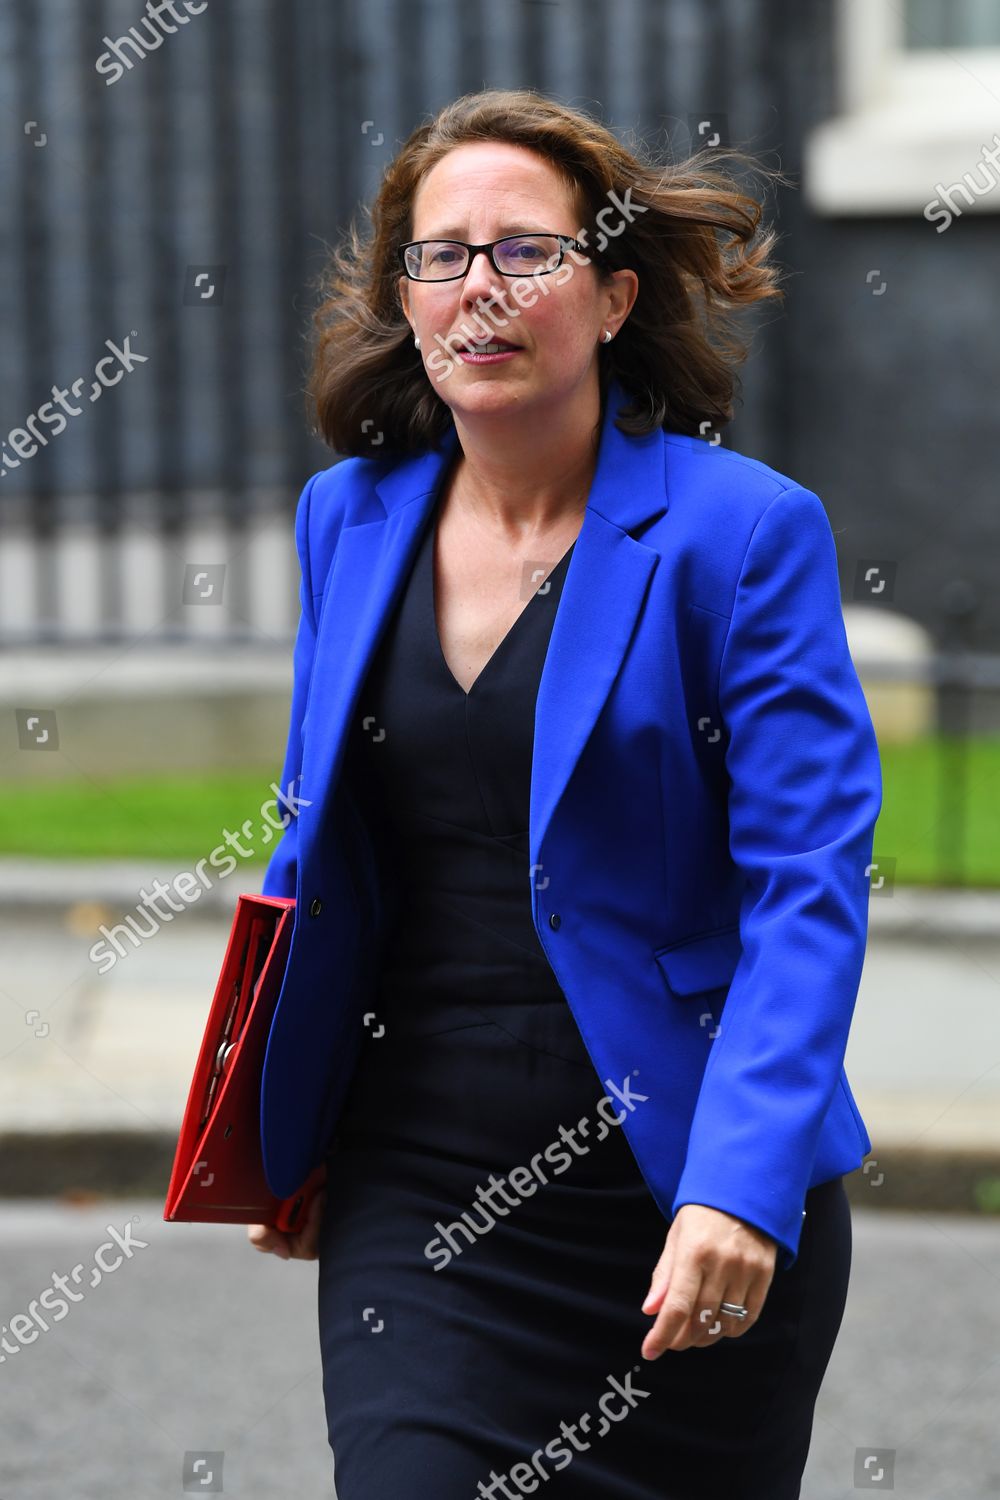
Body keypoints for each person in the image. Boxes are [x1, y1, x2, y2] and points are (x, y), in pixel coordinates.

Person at [246, 87, 881, 1499]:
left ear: (610, 297)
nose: (479, 288)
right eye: (441, 254)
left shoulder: (742, 535)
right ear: (402, 299)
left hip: (679, 1184)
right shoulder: (345, 518)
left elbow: (808, 887)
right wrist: (278, 1125)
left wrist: (738, 1183)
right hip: (417, 1179)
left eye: (525, 252)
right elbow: (321, 842)